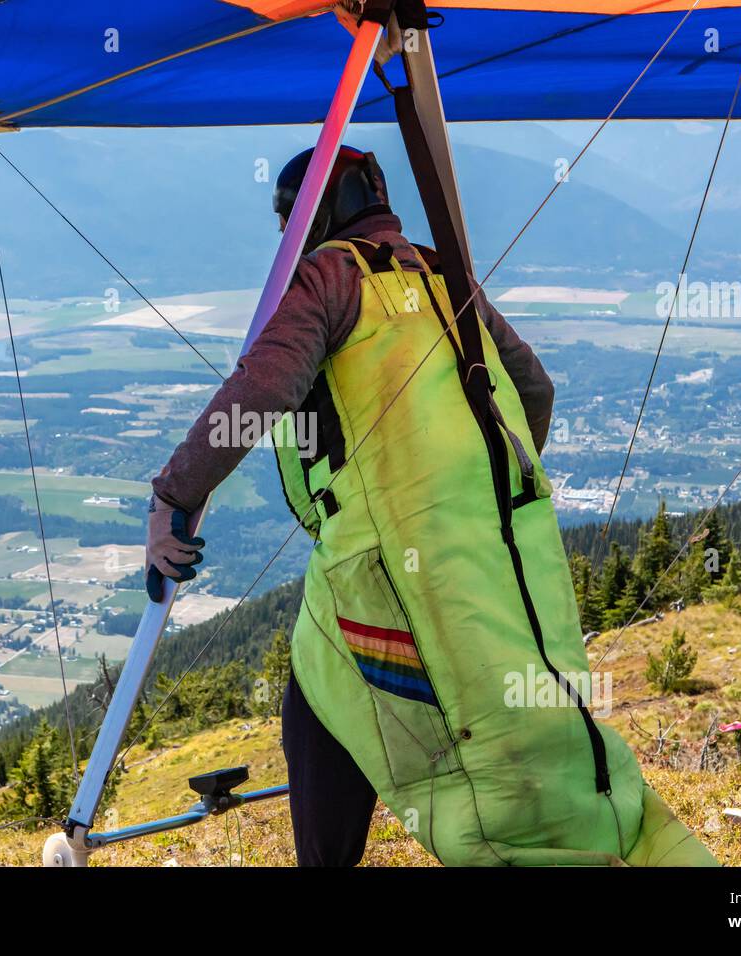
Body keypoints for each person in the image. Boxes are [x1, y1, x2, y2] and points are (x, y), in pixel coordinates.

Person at [144, 145, 555, 866]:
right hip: (483, 553)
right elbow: (534, 390)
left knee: (324, 694)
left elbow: (259, 394)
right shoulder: (442, 275)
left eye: (289, 220)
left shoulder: (329, 276)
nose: (286, 239)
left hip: (381, 562)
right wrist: (477, 490)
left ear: (318, 212)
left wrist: (174, 492)